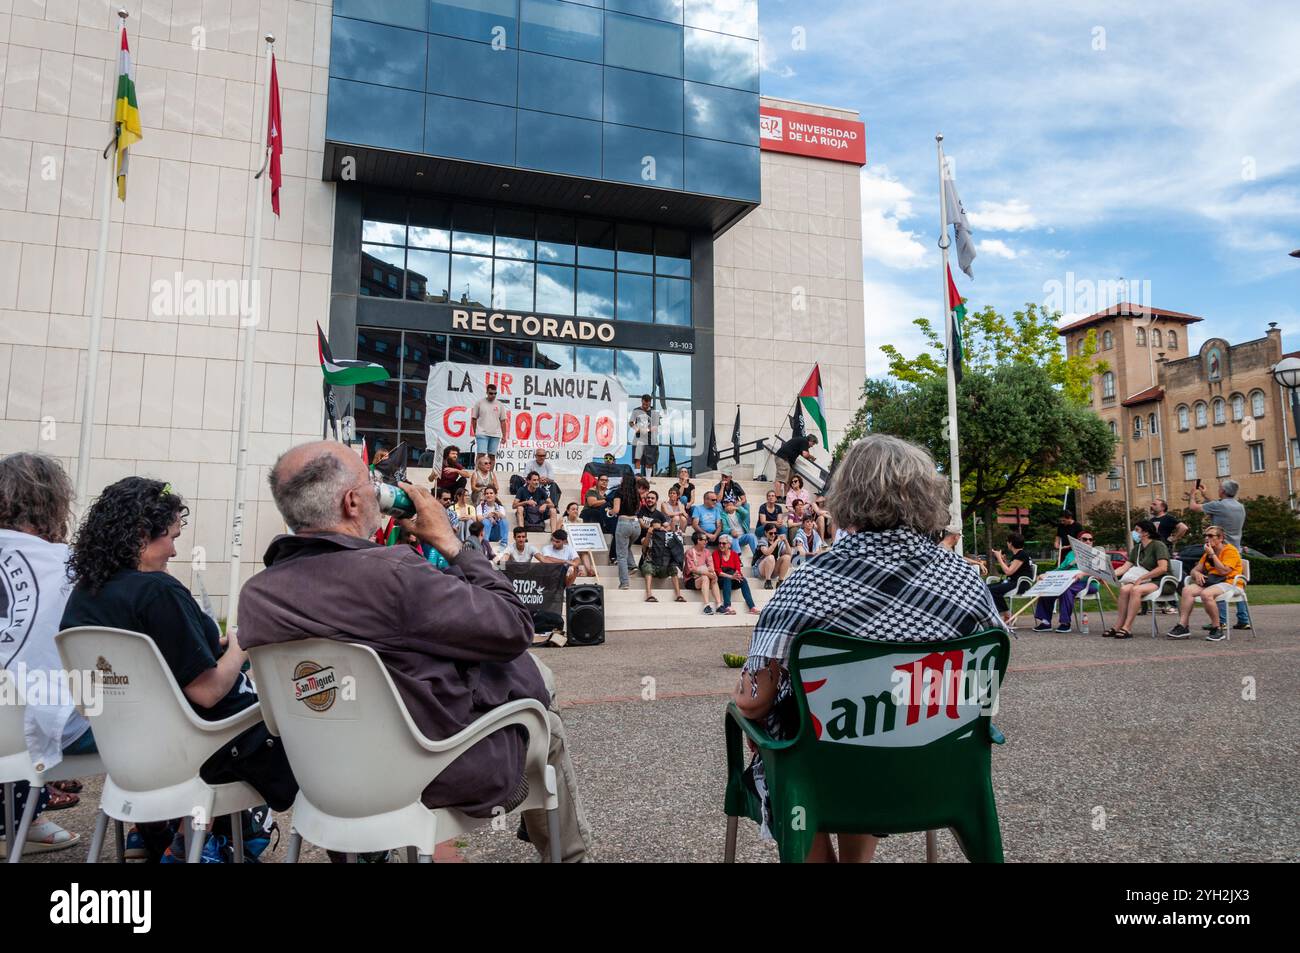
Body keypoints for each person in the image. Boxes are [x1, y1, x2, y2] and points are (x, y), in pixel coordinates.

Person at [239, 441, 591, 861]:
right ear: (353, 502)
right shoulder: (394, 573)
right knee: (543, 719)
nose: (378, 491)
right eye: (371, 484)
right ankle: (572, 858)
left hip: (324, 778)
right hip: (423, 772)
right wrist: (453, 543)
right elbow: (514, 626)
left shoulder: (257, 596)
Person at [734, 433, 1002, 862]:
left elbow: (754, 701)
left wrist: (744, 702)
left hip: (826, 777)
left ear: (846, 495)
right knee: (883, 723)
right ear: (924, 498)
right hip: (932, 776)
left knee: (790, 738)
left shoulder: (808, 581)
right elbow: (984, 684)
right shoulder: (967, 582)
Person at [62, 476, 297, 861]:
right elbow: (206, 691)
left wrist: (208, 646)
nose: (174, 549)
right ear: (141, 535)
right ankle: (213, 840)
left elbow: (154, 660)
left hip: (128, 750)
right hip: (194, 750)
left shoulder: (86, 594)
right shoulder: (158, 592)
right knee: (294, 730)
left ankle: (156, 830)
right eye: (170, 536)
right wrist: (238, 646)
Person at [0, 453, 93, 857]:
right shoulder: (72, 566)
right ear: (55, 504)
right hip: (35, 726)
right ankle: (157, 830)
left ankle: (23, 818)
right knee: (106, 695)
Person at [1188, 480, 1251, 631]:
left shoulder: (1219, 506)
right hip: (1236, 550)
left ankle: (1221, 620)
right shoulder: (1239, 506)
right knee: (1237, 583)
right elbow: (1218, 506)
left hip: (1220, 550)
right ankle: (1243, 619)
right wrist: (1205, 494)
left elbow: (1193, 507)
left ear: (1222, 491)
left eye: (1219, 488)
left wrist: (1193, 494)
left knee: (1217, 580)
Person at [1167, 526, 1245, 642]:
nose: (1206, 538)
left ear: (1221, 538)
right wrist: (1196, 574)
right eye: (1205, 536)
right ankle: (1183, 626)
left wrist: (1213, 555)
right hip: (1214, 582)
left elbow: (1224, 571)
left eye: (1210, 536)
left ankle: (1217, 628)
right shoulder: (1207, 553)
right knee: (1187, 590)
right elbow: (1194, 570)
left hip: (1230, 582)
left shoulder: (1230, 551)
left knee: (1206, 594)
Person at [1104, 520, 1171, 640]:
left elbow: (1162, 568)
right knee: (1124, 589)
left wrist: (1142, 578)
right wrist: (1107, 574)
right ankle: (1118, 625)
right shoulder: (1137, 548)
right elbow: (1125, 567)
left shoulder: (1158, 545)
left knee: (1136, 590)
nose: (1134, 533)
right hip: (1144, 580)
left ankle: (1127, 627)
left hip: (1160, 580)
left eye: (1136, 530)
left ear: (1146, 533)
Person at [1032, 530, 1100, 633]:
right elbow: (1060, 569)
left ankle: (1065, 623)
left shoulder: (1096, 555)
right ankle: (1045, 622)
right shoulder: (1071, 554)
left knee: (1066, 589)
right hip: (1068, 581)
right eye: (1085, 539)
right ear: (1078, 541)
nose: (1088, 541)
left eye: (1090, 539)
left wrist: (1083, 574)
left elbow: (1099, 573)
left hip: (1088, 583)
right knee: (1047, 589)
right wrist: (1046, 575)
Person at [986, 533, 1032, 624]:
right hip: (1013, 582)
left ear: (1011, 543)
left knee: (993, 591)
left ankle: (1008, 615)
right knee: (986, 588)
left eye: (1007, 542)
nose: (1007, 544)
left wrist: (999, 558)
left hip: (1020, 584)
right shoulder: (1018, 555)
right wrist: (1004, 561)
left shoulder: (1022, 555)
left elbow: (1008, 572)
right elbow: (1012, 571)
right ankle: (997, 615)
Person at [639, 521, 686, 604]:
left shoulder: (667, 538)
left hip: (664, 567)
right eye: (655, 529)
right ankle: (649, 595)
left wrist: (676, 536)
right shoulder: (646, 538)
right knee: (647, 567)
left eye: (659, 528)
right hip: (652, 566)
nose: (658, 530)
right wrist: (649, 534)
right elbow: (644, 546)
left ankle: (678, 595)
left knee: (673, 567)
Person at [610, 476, 642, 591]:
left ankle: (624, 583)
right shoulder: (636, 493)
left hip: (624, 523)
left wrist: (609, 511)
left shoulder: (619, 492)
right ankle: (632, 565)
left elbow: (616, 510)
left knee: (621, 555)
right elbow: (638, 509)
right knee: (626, 546)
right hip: (636, 524)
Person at [713, 535, 758, 616]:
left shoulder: (734, 554)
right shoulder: (716, 554)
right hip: (721, 580)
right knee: (727, 578)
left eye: (723, 543)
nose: (721, 545)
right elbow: (718, 571)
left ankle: (752, 607)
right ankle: (727, 606)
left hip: (733, 579)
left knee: (743, 580)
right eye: (719, 543)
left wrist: (736, 575)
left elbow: (738, 569)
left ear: (729, 544)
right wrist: (731, 576)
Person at [469, 382, 508, 464]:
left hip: (495, 434)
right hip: (482, 433)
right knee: (481, 454)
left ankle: (490, 475)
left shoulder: (500, 404)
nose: (493, 395)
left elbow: (503, 421)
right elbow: (474, 418)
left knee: (492, 456)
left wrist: (504, 436)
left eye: (495, 393)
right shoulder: (479, 403)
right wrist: (476, 432)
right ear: (486, 392)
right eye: (491, 393)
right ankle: (478, 474)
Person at [684, 532, 722, 614]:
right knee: (706, 577)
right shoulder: (690, 552)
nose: (707, 542)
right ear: (698, 541)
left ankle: (719, 605)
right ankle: (706, 606)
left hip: (703, 576)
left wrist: (713, 574)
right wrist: (707, 573)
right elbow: (692, 569)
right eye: (705, 540)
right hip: (691, 579)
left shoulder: (707, 552)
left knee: (713, 577)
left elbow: (711, 566)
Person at [773, 433, 817, 497]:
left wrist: (809, 456)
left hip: (787, 461)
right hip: (783, 458)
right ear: (810, 441)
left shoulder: (801, 441)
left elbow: (803, 453)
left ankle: (786, 497)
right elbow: (805, 454)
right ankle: (778, 496)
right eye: (813, 444)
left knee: (789, 480)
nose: (812, 446)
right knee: (780, 478)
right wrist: (812, 457)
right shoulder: (804, 441)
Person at [562, 503, 599, 580]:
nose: (575, 511)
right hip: (565, 544)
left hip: (576, 544)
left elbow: (581, 534)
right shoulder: (563, 520)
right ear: (568, 511)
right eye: (573, 509)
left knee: (584, 551)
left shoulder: (580, 520)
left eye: (576, 509)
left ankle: (589, 570)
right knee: (572, 550)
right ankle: (577, 569)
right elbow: (556, 533)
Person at [629, 394, 660, 477]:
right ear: (641, 401)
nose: (645, 406)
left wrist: (646, 430)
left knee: (649, 461)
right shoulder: (636, 410)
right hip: (638, 439)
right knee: (637, 458)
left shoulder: (655, 412)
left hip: (651, 439)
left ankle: (648, 480)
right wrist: (636, 429)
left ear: (650, 403)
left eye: (647, 404)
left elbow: (655, 427)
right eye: (644, 404)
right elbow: (631, 422)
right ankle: (637, 478)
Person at [754, 523, 793, 589]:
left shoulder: (778, 542)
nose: (773, 535)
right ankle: (768, 581)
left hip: (772, 569)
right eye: (771, 533)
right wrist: (777, 540)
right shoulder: (762, 540)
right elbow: (767, 552)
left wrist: (786, 541)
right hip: (759, 570)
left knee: (787, 557)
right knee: (770, 557)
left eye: (775, 533)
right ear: (766, 533)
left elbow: (789, 553)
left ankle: (780, 581)